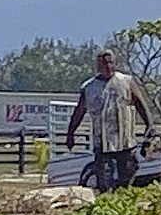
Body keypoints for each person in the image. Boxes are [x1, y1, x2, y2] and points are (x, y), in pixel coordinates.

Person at [66, 50, 154, 192]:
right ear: (98, 66)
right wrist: (70, 133)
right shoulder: (89, 88)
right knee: (105, 179)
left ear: (115, 63)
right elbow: (79, 113)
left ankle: (124, 202)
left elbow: (141, 104)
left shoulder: (126, 82)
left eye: (110, 62)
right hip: (102, 143)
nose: (108, 66)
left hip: (125, 141)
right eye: (104, 63)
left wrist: (149, 125)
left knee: (127, 177)